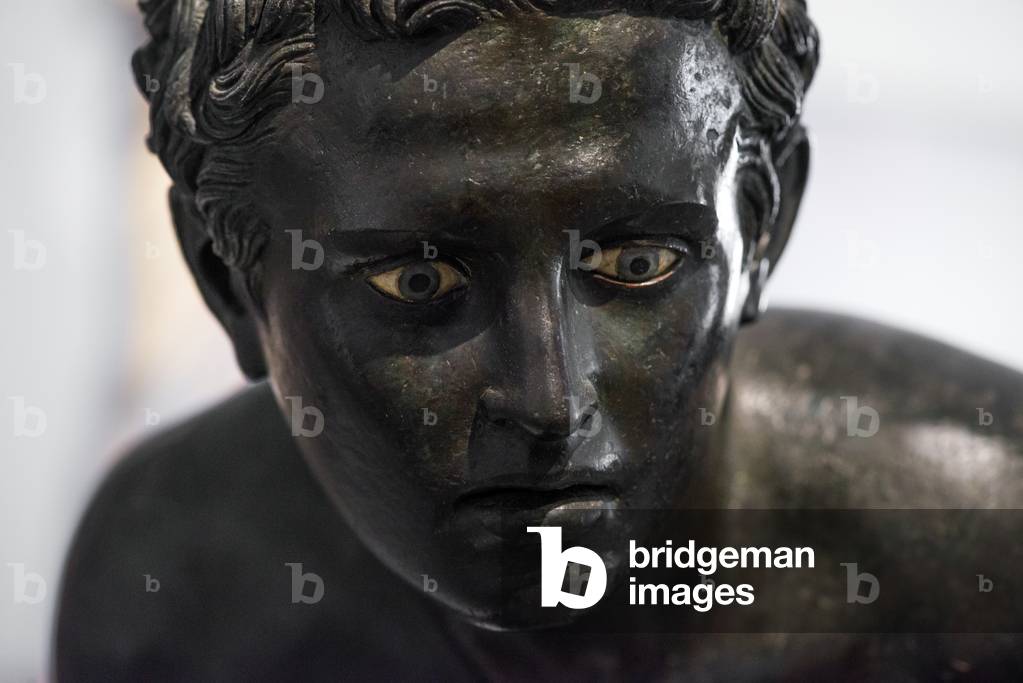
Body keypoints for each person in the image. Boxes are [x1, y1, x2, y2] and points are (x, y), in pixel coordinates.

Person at [55, 0, 1023, 679]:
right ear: (227, 278)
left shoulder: (987, 559)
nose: (553, 402)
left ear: (764, 229)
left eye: (638, 266)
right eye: (420, 280)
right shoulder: (175, 592)